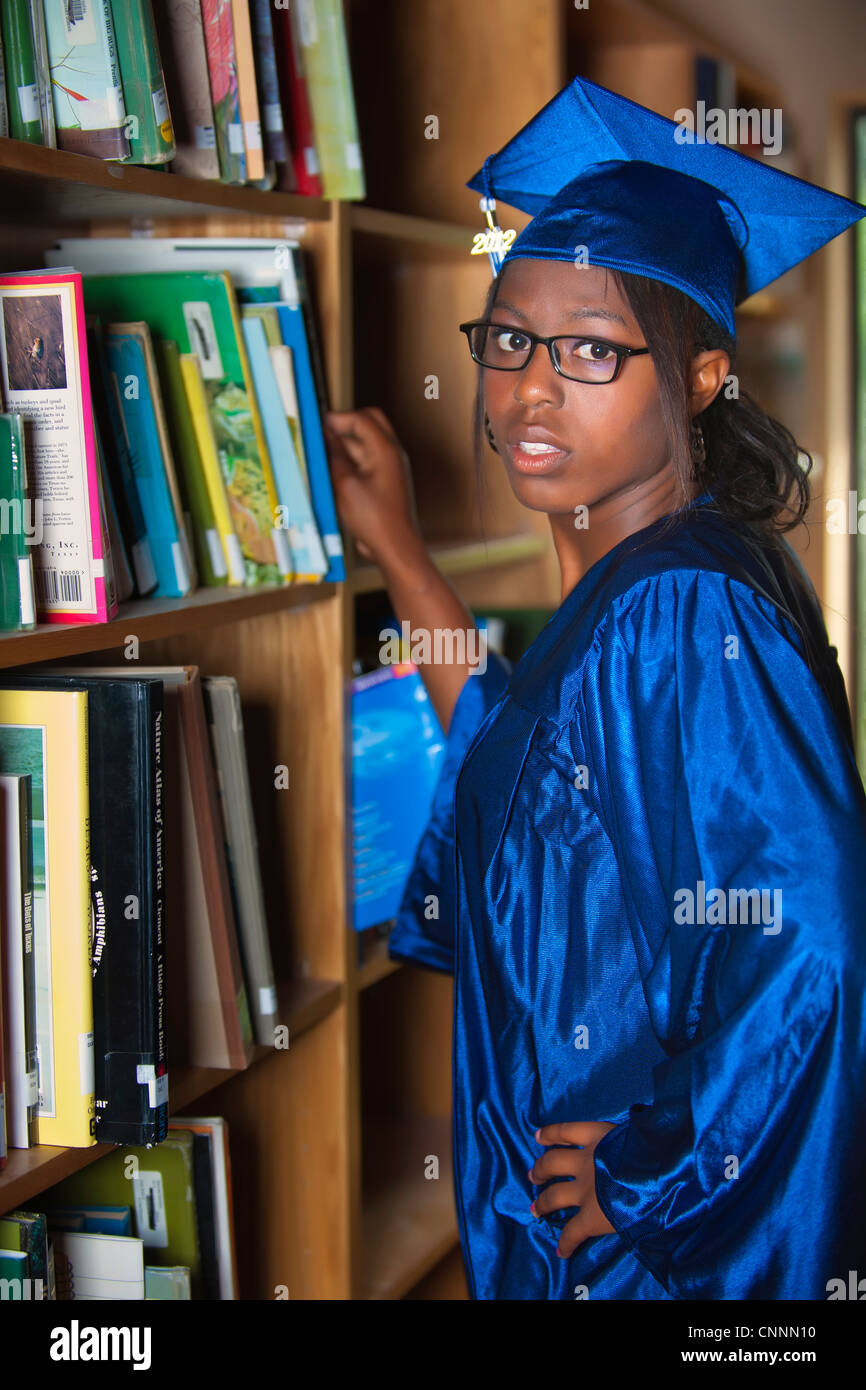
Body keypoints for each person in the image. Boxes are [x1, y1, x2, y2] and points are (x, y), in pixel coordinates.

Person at [323, 76, 866, 1300]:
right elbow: (523, 779)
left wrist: (660, 1169)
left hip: (635, 1264)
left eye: (588, 351)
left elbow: (819, 939)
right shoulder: (646, 583)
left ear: (703, 375)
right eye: (508, 340)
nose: (525, 389)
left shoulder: (682, 606)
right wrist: (403, 553)